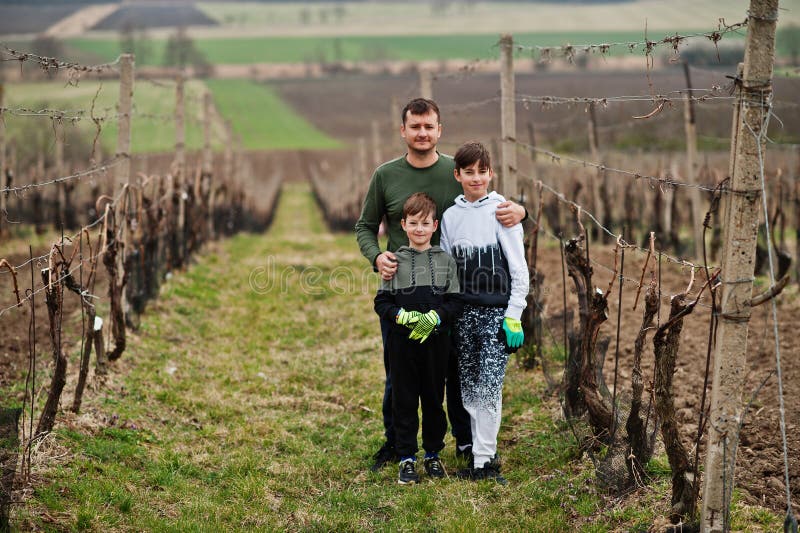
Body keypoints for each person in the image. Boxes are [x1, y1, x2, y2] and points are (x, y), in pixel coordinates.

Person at [355, 98, 527, 471]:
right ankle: (396, 446)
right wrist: (376, 256)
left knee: (450, 370)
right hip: (400, 288)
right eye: (414, 127)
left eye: (428, 126)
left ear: (439, 130)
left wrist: (522, 210)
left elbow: (487, 204)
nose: (422, 133)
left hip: (450, 294)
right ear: (403, 131)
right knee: (398, 373)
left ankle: (462, 445)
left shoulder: (458, 169)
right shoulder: (385, 175)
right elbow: (365, 227)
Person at [439, 141, 529, 485]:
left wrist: (514, 314)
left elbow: (519, 269)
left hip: (495, 316)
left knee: (490, 388)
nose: (476, 178)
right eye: (468, 172)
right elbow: (447, 269)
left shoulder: (502, 212)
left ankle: (485, 463)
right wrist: (447, 314)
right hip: (463, 314)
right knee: (469, 388)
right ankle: (479, 453)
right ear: (457, 175)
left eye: (482, 171)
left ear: (491, 173)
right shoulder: (450, 217)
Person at [373, 193, 462, 484]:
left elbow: (454, 302)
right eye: (413, 223)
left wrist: (436, 317)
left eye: (425, 223)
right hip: (402, 345)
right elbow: (382, 302)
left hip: (436, 344)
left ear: (435, 225)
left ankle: (433, 454)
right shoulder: (393, 261)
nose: (420, 229)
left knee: (434, 400)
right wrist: (401, 316)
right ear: (403, 224)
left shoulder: (445, 261)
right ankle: (406, 457)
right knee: (404, 400)